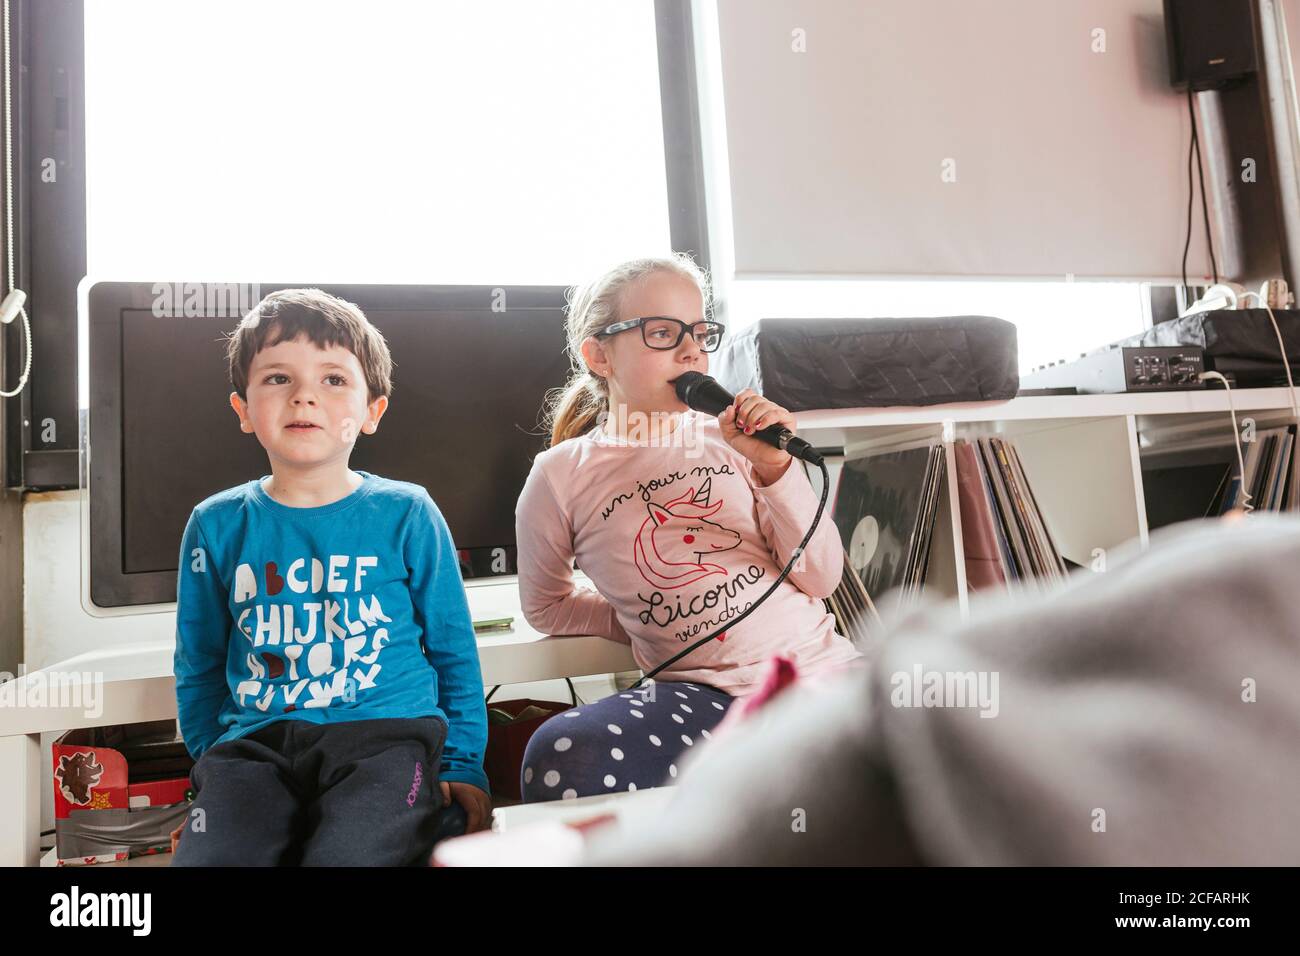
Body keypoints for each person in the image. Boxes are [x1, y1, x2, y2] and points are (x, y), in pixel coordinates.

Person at [515, 254, 865, 802]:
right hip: (701, 700)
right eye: (662, 333)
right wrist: (640, 622)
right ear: (598, 354)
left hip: (817, 673)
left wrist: (776, 469)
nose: (691, 350)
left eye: (701, 333)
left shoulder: (733, 441)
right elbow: (547, 605)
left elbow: (820, 578)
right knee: (563, 754)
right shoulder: (559, 476)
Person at [170, 288, 490, 866]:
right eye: (276, 379)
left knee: (351, 856)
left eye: (334, 380)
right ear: (243, 409)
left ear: (373, 412)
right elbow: (198, 662)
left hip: (387, 742)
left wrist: (466, 762)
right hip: (253, 748)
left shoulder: (407, 512)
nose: (304, 397)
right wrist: (209, 768)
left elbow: (453, 649)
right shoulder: (213, 524)